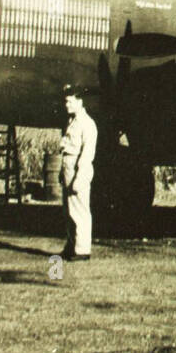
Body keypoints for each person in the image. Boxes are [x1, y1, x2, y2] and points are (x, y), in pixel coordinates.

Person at [59, 85, 98, 261]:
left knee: (80, 211)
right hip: (68, 168)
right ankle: (71, 246)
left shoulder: (87, 124)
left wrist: (79, 178)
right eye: (66, 101)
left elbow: (87, 154)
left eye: (69, 101)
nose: (66, 105)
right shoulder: (73, 121)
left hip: (77, 170)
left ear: (79, 102)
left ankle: (82, 249)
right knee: (69, 211)